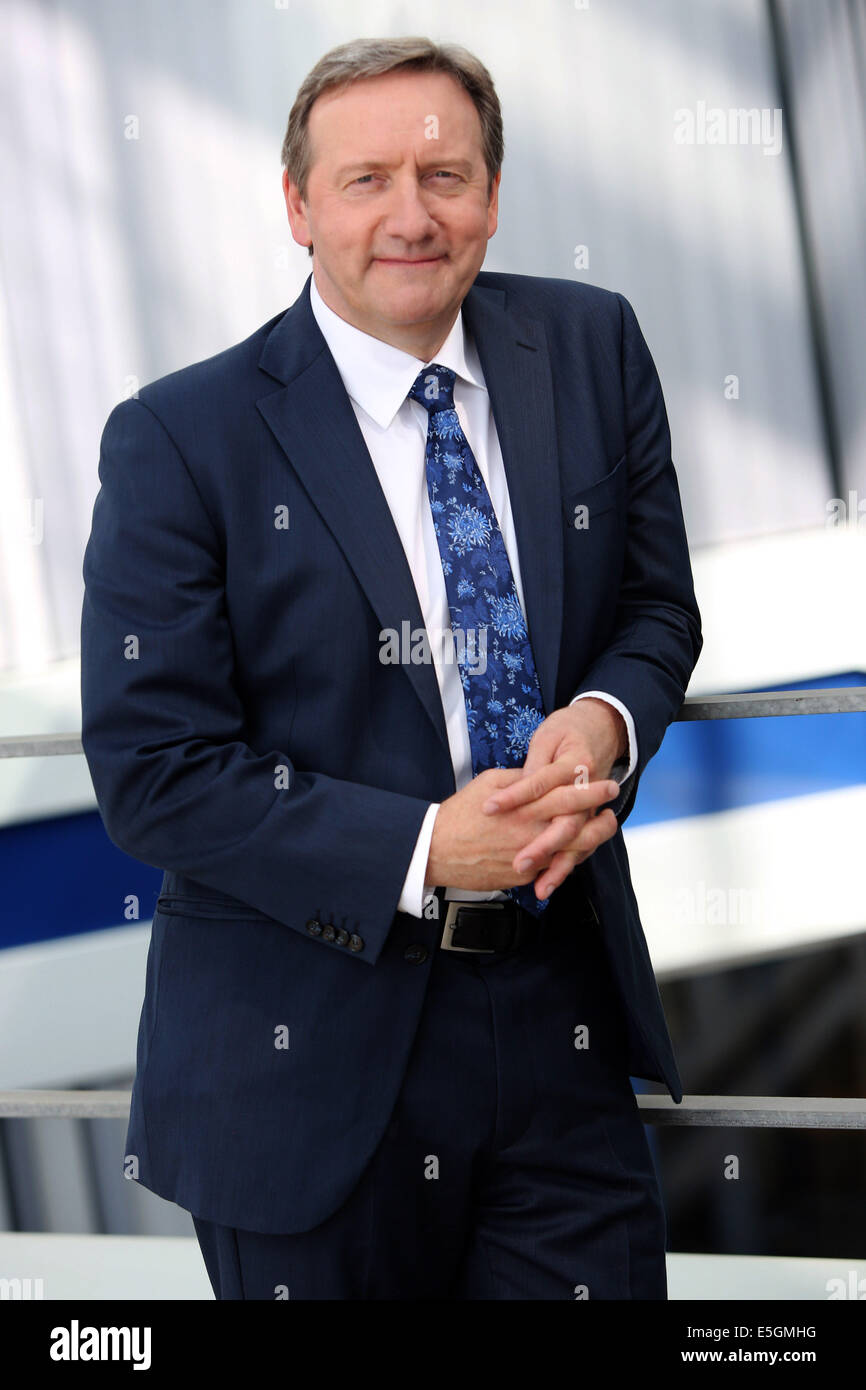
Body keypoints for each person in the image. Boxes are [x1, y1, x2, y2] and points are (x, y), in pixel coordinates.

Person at [80, 35, 702, 1300]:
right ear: (299, 208)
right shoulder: (180, 439)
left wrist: (598, 721)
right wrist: (422, 851)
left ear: (491, 194)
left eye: (445, 177)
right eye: (365, 181)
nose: (411, 217)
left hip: (557, 1019)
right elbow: (155, 770)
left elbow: (653, 609)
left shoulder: (588, 345)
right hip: (303, 1057)